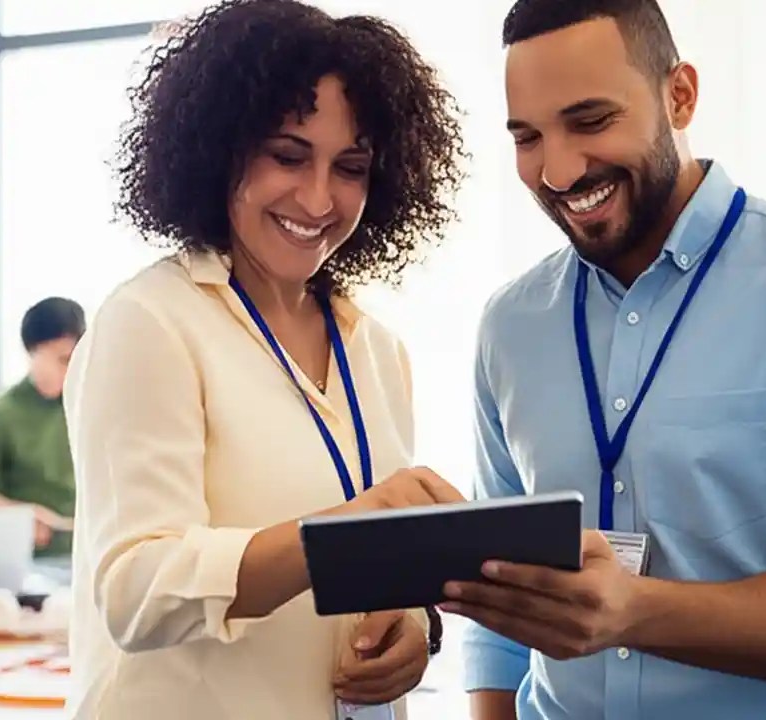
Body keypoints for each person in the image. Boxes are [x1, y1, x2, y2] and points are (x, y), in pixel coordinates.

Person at [444, 1, 766, 719]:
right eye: (527, 136)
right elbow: (499, 610)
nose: (556, 170)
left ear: (679, 95)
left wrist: (634, 611)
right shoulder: (509, 326)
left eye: (590, 121)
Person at [61, 1, 469, 718]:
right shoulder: (150, 324)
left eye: (350, 167)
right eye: (287, 155)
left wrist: (414, 625)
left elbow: (374, 572)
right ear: (221, 148)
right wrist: (340, 532)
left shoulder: (373, 349)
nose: (318, 197)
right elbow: (136, 590)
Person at [0, 296, 84, 557]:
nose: (73, 370)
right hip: (25, 557)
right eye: (63, 360)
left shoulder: (88, 408)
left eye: (78, 359)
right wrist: (19, 516)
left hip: (86, 557)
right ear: (32, 351)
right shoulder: (0, 412)